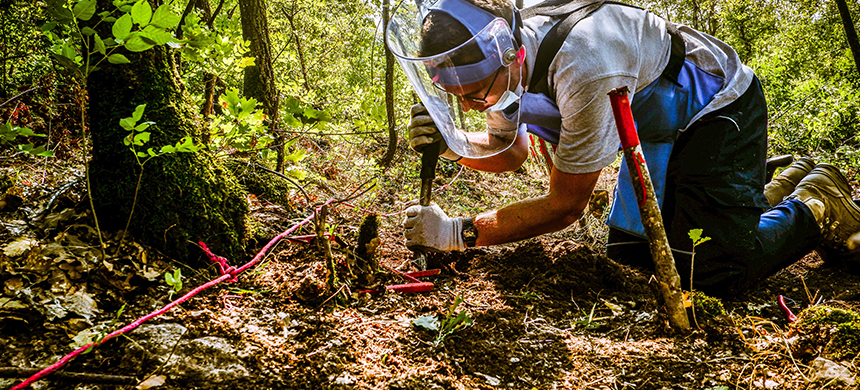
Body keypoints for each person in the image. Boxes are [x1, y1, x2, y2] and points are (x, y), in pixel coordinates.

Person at [387, 0, 860, 297]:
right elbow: (506, 151)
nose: (471, 105)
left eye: (478, 94)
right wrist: (453, 144)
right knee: (632, 262)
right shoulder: (501, 62)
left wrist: (459, 232)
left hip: (715, 108)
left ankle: (818, 205)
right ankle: (764, 189)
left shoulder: (583, 67)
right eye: (458, 97)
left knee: (709, 271)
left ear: (511, 53)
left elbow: (565, 206)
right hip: (652, 128)